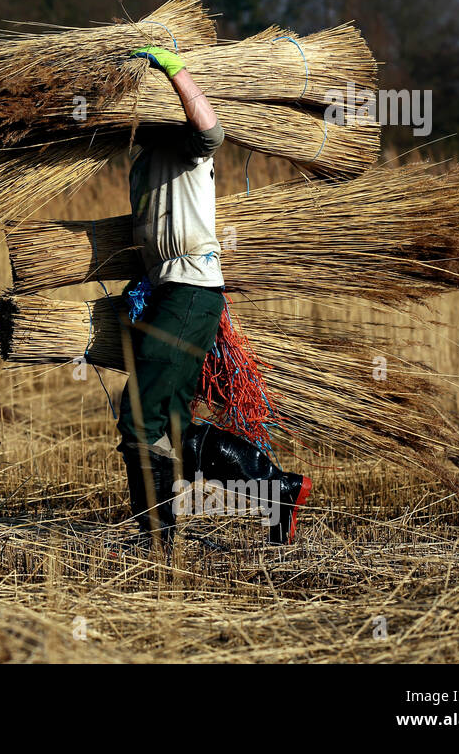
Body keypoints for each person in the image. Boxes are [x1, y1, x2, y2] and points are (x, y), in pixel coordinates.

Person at [116, 44, 312, 552]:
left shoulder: (185, 144)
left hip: (189, 294)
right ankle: (279, 491)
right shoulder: (142, 163)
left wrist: (177, 72)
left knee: (139, 419)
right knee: (174, 428)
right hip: (173, 293)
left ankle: (155, 542)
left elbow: (211, 130)